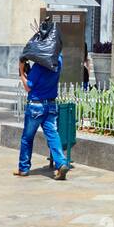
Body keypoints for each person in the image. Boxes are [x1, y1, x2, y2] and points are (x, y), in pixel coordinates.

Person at [15, 51, 71, 179]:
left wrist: (21, 71)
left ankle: (23, 168)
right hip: (51, 104)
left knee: (27, 138)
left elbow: (28, 86)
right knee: (53, 135)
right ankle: (61, 163)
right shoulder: (59, 62)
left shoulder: (38, 67)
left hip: (36, 106)